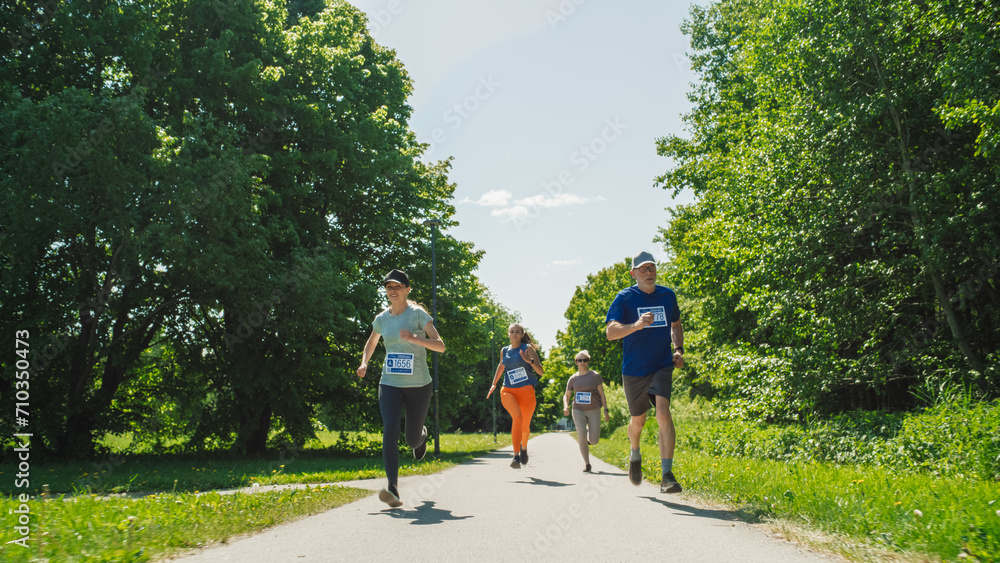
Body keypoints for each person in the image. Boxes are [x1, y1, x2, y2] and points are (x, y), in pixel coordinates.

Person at [357, 269, 446, 507]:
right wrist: (364, 362)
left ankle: (421, 437)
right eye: (389, 287)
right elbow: (372, 341)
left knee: (411, 440)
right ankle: (393, 489)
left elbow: (440, 346)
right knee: (390, 428)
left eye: (397, 286)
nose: (393, 291)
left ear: (407, 290)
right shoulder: (382, 319)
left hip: (419, 385)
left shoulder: (418, 314)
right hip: (390, 383)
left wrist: (415, 339)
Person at [605, 251, 685, 493]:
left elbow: (676, 324)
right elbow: (611, 332)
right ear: (633, 274)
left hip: (661, 364)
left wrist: (679, 349)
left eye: (651, 268)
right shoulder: (625, 298)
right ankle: (635, 452)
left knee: (663, 411)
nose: (648, 273)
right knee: (638, 421)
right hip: (634, 369)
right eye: (643, 269)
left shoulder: (667, 295)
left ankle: (667, 475)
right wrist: (637, 325)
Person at [487, 323, 544, 468]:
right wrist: (494, 384)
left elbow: (541, 371)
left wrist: (529, 361)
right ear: (508, 334)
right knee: (517, 417)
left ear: (522, 334)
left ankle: (524, 447)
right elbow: (501, 366)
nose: (514, 334)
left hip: (526, 392)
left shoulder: (527, 349)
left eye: (517, 332)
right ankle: (516, 456)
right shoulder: (504, 350)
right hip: (508, 390)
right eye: (511, 331)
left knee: (524, 426)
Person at [563, 350, 611, 472]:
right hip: (578, 410)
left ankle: (590, 435)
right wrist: (565, 406)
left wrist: (605, 410)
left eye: (585, 360)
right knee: (581, 435)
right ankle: (587, 464)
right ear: (576, 362)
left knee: (594, 440)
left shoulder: (595, 376)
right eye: (580, 360)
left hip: (594, 409)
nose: (582, 362)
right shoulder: (573, 378)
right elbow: (567, 395)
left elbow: (602, 394)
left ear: (588, 362)